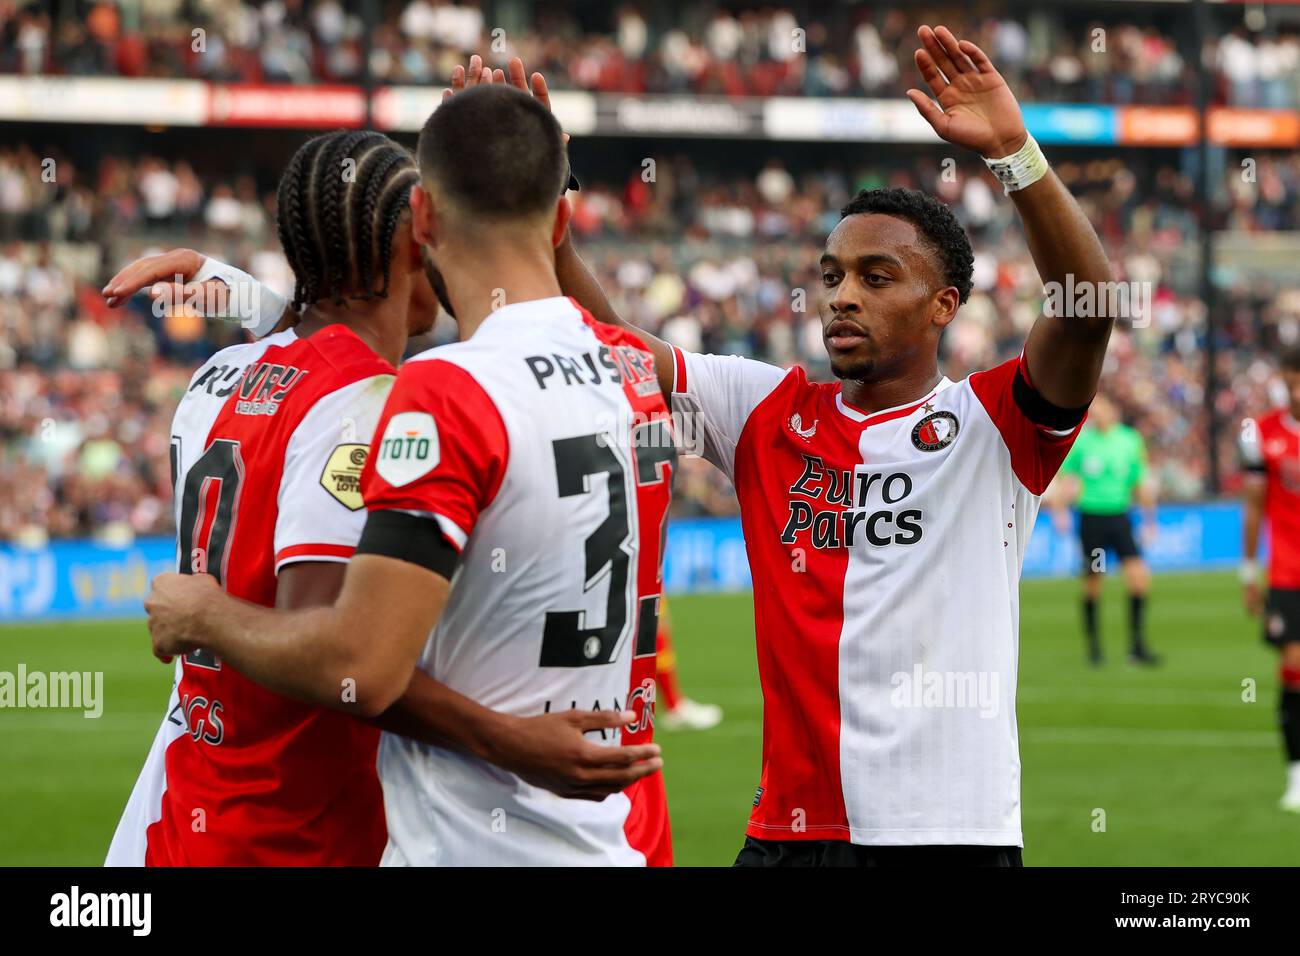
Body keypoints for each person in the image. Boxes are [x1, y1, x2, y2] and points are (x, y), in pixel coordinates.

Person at [552, 25, 1115, 865]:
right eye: (832, 275)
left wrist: (1014, 153)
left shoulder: (993, 426)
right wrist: (543, 208)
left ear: (944, 305)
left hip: (945, 836)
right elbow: (608, 344)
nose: (842, 297)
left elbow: (1088, 303)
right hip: (785, 834)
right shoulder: (763, 410)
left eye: (876, 278)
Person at [143, 83, 674, 866]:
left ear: (427, 220)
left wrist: (205, 614)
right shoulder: (633, 374)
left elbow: (357, 665)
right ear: (563, 223)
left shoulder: (423, 390)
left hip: (414, 833)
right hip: (612, 820)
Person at [1052, 393, 1159, 666]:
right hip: (1093, 520)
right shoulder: (1083, 442)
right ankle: (1094, 647)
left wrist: (1149, 520)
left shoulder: (1130, 440)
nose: (1096, 414)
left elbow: (1140, 482)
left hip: (1121, 518)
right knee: (1094, 583)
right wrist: (1060, 510)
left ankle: (1136, 645)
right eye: (1093, 410)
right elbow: (1066, 479)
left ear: (1113, 410)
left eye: (1100, 409)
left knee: (1139, 579)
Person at [1240, 344, 1300, 812]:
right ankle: (1296, 775)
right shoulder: (1262, 433)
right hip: (1286, 571)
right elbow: (1255, 505)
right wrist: (1248, 569)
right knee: (1293, 671)